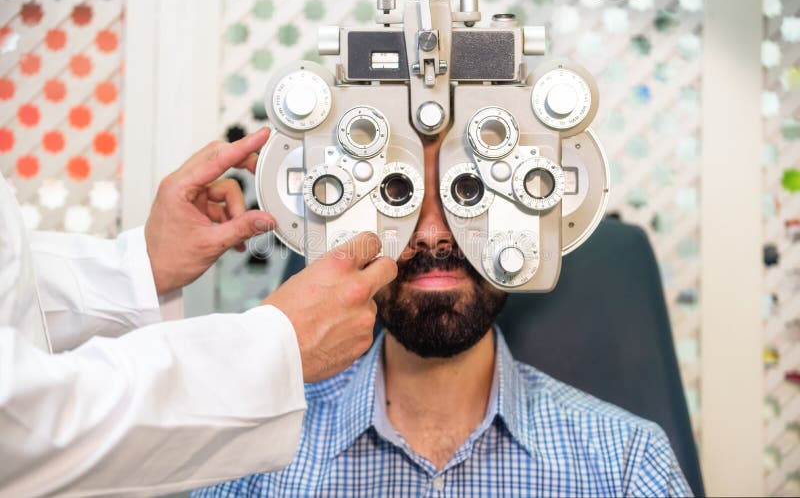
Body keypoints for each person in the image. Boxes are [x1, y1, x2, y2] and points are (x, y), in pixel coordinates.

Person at [194, 132, 692, 498]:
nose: (433, 234)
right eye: (397, 195)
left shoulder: (626, 462)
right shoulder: (254, 462)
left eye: (468, 194)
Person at [0, 128, 397, 498]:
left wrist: (141, 268)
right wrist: (271, 349)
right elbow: (20, 424)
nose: (432, 234)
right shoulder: (260, 480)